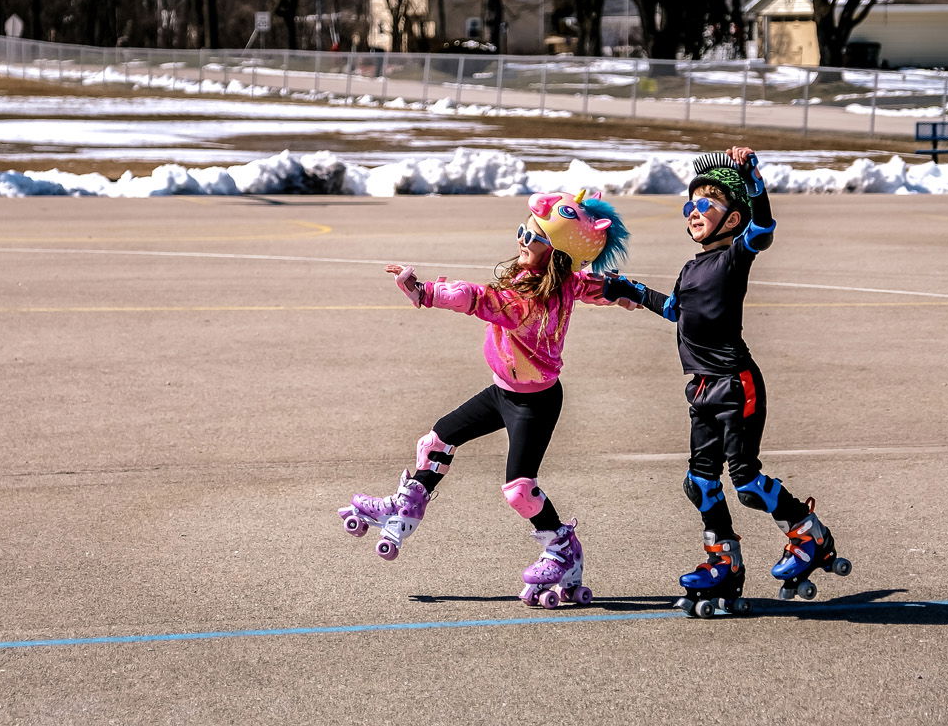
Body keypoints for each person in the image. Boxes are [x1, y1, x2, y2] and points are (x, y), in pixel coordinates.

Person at [338, 190, 631, 608]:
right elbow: (594, 285)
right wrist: (624, 292)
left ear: (558, 256)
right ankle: (407, 505)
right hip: (502, 392)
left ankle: (562, 547)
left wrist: (424, 292)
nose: (522, 242)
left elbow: (476, 298)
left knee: (519, 490)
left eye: (533, 239)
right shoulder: (559, 282)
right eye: (522, 233)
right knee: (435, 442)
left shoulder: (525, 302)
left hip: (535, 404)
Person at [603, 147, 851, 616]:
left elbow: (765, 230)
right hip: (699, 389)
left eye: (706, 206)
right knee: (699, 482)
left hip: (736, 385)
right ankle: (723, 561)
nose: (694, 213)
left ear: (732, 217)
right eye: (689, 206)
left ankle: (808, 534)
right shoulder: (692, 267)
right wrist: (629, 289)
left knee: (746, 480)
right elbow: (676, 310)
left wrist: (752, 180)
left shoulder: (736, 255)